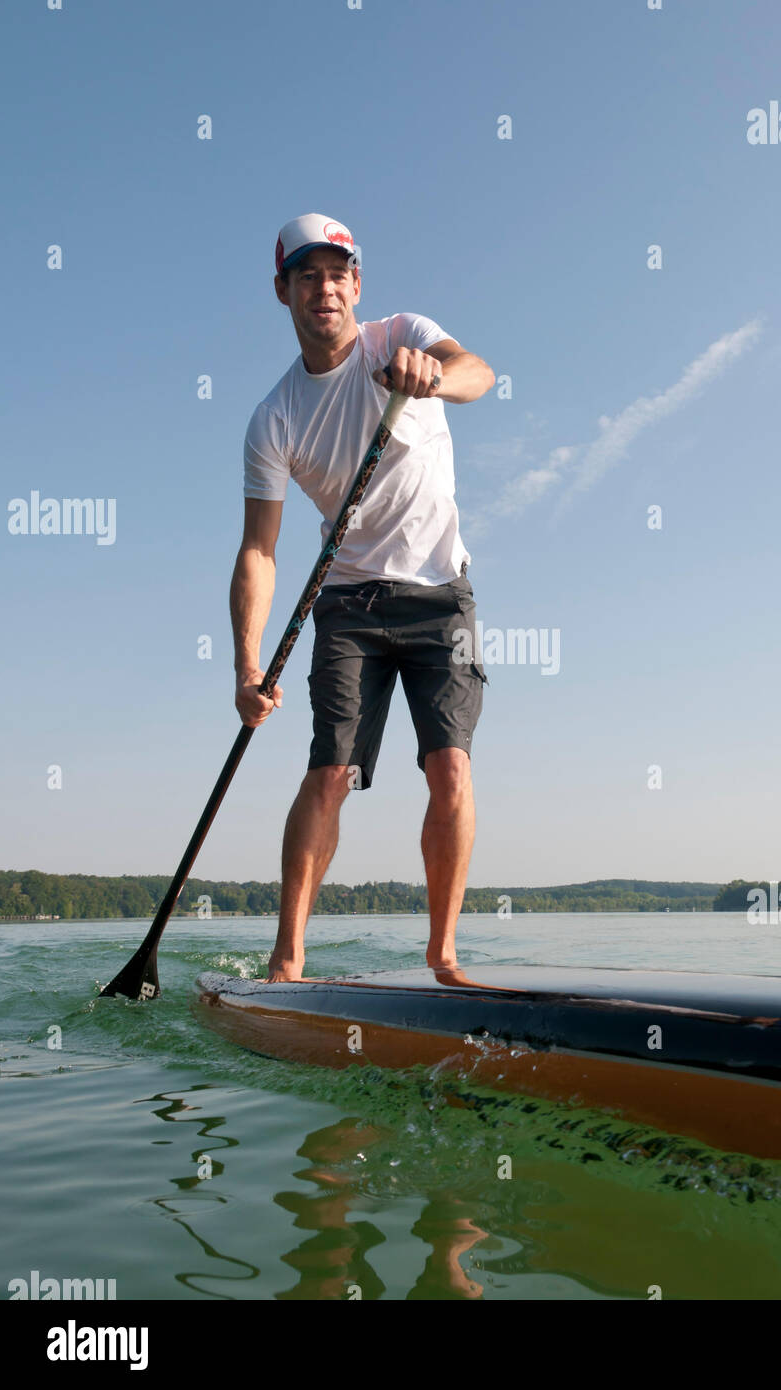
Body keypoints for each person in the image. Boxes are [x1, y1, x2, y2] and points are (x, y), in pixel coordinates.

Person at [231, 213, 494, 984]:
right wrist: (249, 670)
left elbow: (479, 371)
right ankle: (287, 960)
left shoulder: (401, 337)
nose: (326, 287)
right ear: (282, 290)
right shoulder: (274, 418)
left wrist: (434, 376)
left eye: (339, 272)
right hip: (347, 604)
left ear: (357, 285)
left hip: (442, 595)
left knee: (450, 769)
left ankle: (444, 958)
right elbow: (258, 550)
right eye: (307, 274)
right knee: (330, 775)